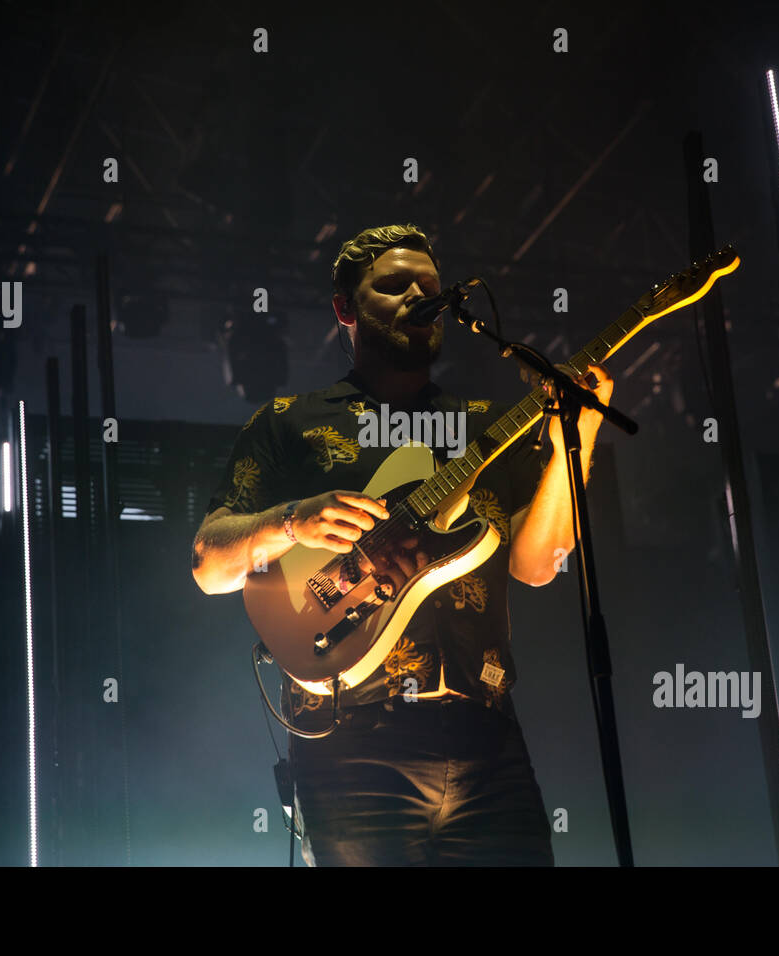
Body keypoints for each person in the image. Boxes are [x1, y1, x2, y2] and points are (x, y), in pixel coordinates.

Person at [192, 223, 612, 865]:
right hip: (350, 741)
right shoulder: (287, 424)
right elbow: (208, 564)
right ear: (345, 310)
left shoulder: (485, 428)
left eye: (429, 285)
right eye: (393, 285)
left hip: (488, 734)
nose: (419, 295)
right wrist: (292, 520)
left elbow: (536, 565)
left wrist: (569, 445)